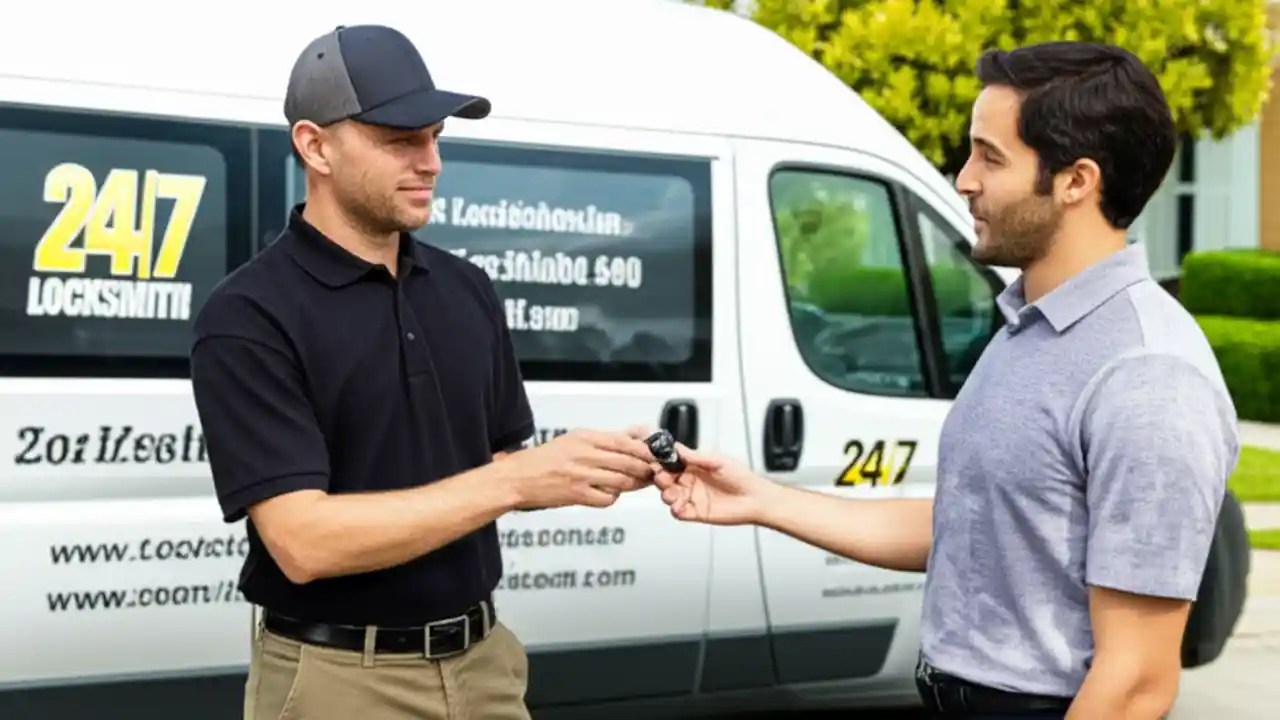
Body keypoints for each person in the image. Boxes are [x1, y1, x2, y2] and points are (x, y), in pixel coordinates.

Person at [648, 41, 1239, 719]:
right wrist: (760, 499)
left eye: (991, 156)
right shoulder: (1029, 328)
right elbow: (971, 525)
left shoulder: (1149, 375)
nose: (964, 179)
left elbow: (1135, 683)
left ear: (1076, 181)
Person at [189, 24, 656, 720]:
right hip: (338, 682)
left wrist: (582, 467)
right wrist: (513, 481)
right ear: (315, 146)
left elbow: (496, 467)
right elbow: (303, 543)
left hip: (485, 665)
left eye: (436, 137)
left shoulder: (466, 288)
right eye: (401, 139)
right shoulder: (248, 315)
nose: (431, 162)